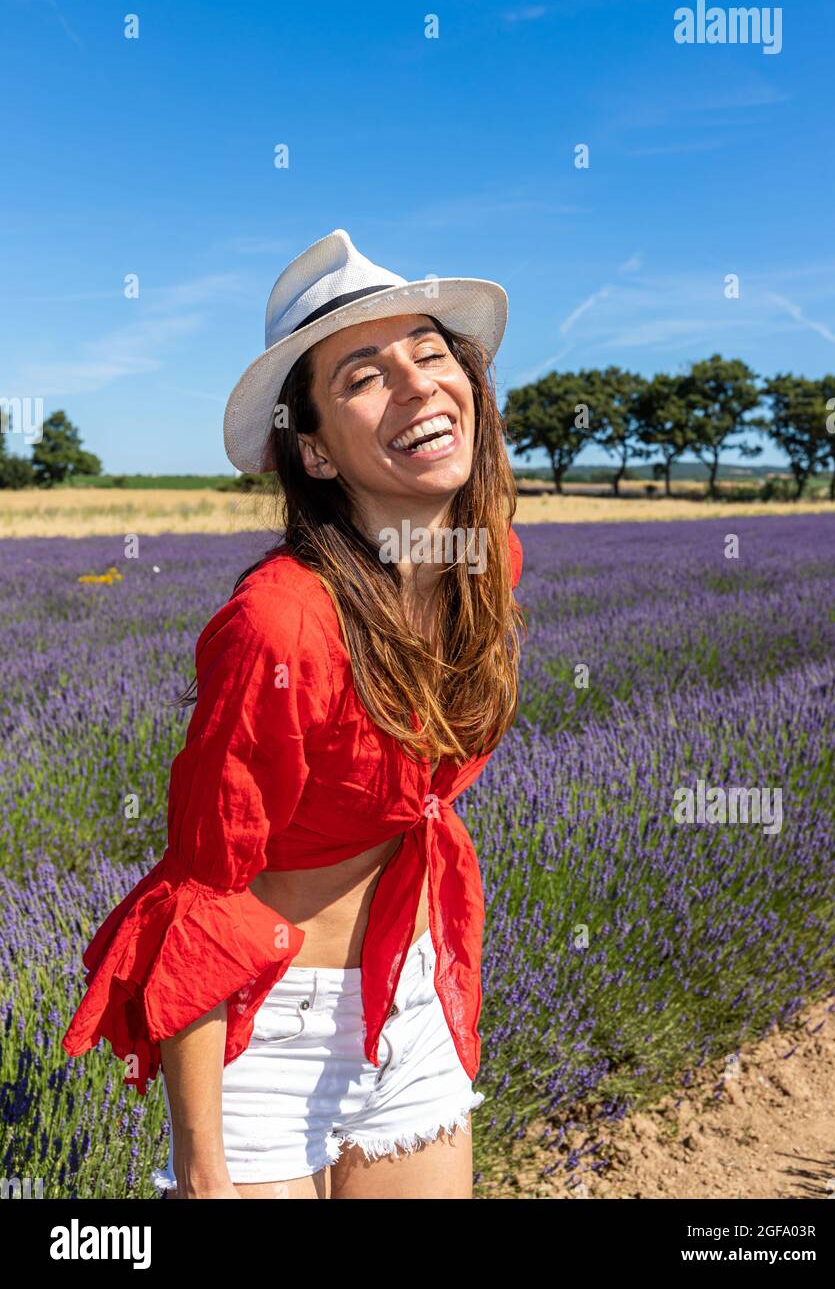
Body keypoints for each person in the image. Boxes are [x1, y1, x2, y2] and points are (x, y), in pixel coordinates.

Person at [61, 227, 526, 1200]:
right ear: (312, 447)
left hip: (409, 992)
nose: (414, 382)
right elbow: (202, 896)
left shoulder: (487, 568)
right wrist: (204, 1168)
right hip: (270, 1024)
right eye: (362, 373)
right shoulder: (280, 623)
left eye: (430, 352)